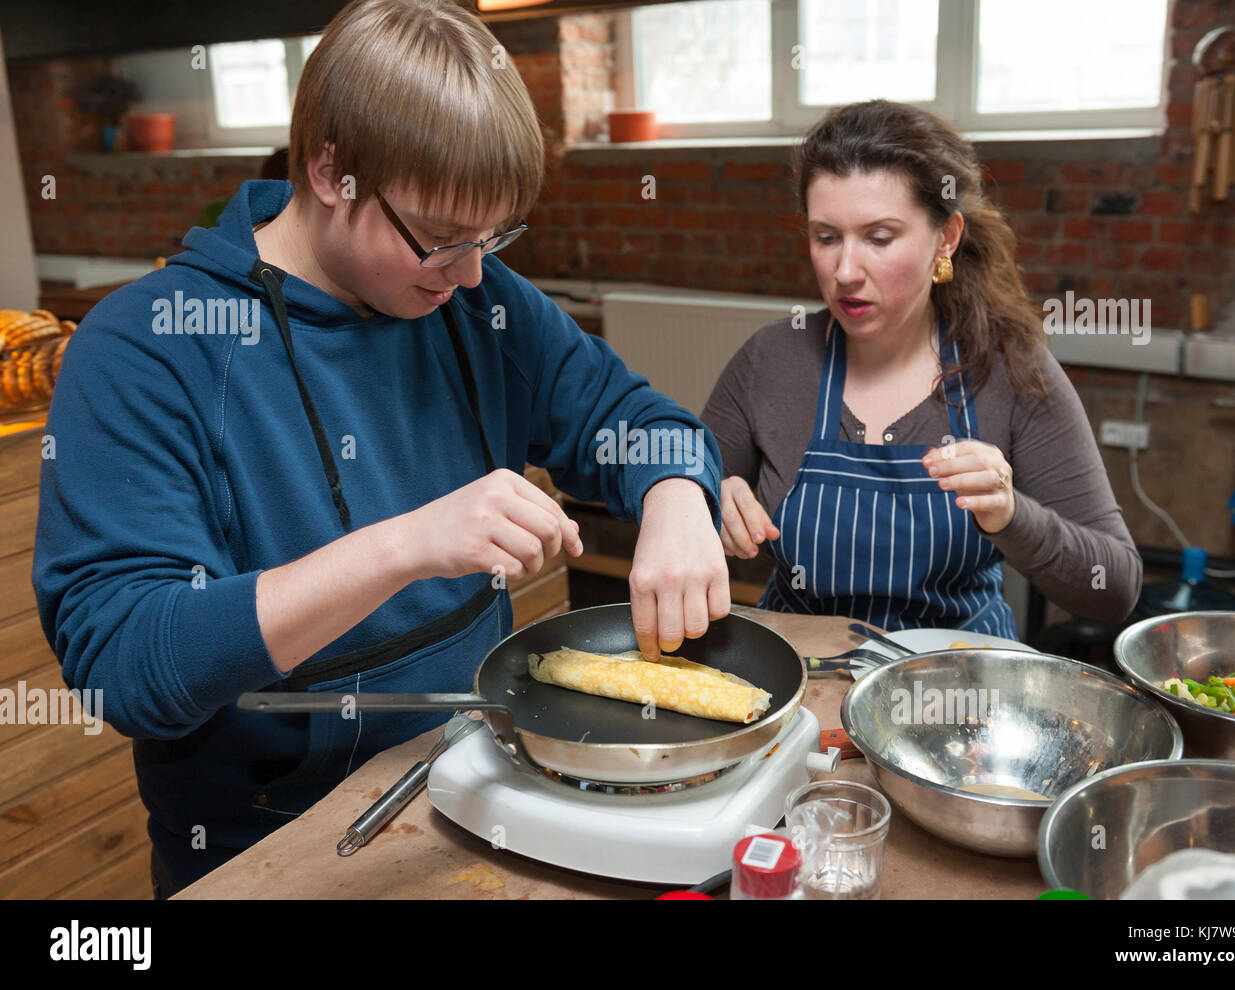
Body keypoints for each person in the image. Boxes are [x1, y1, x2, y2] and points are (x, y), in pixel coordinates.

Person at [33, 0, 729, 898]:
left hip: (483, 797)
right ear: (331, 171)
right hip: (274, 853)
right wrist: (403, 546)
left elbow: (630, 414)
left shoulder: (476, 297)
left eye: (494, 237)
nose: (473, 272)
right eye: (440, 239)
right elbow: (128, 666)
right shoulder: (149, 347)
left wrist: (677, 493)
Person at [702, 100, 1140, 636]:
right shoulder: (773, 358)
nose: (844, 271)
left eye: (879, 238)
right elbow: (679, 506)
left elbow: (1113, 588)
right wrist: (704, 502)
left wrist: (1010, 514)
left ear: (946, 238)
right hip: (802, 679)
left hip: (958, 688)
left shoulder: (1012, 371)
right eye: (826, 237)